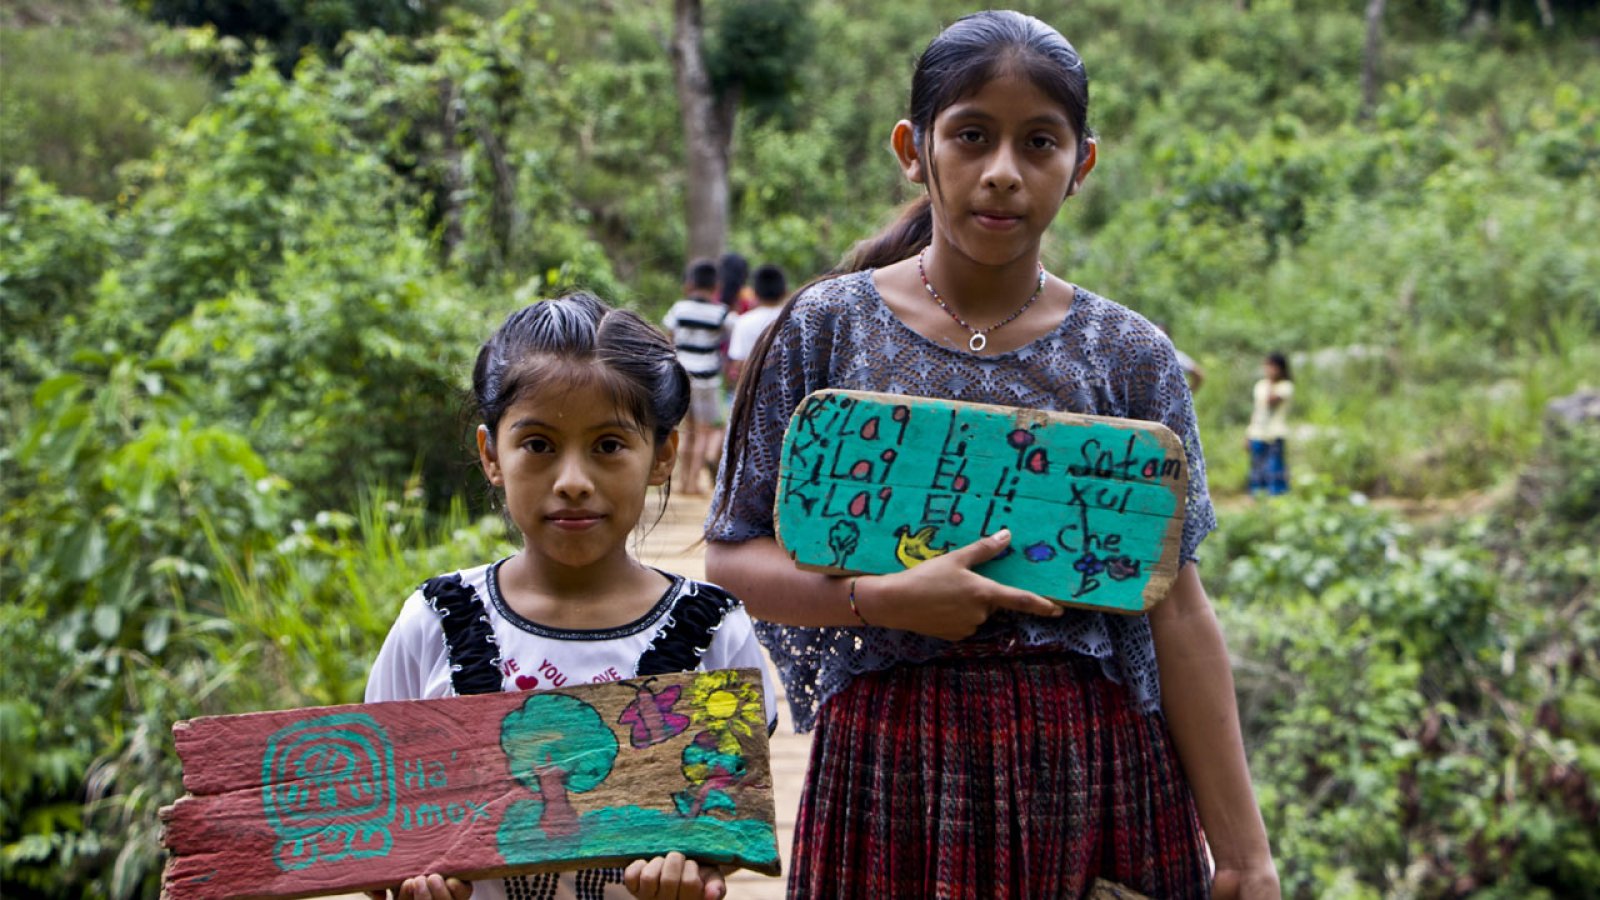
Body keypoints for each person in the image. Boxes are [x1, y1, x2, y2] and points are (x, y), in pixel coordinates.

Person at [704, 11, 1278, 899]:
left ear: (1081, 164)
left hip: (1090, 765)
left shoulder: (1128, 356)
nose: (1003, 170)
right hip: (893, 768)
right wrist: (878, 599)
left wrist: (1244, 854)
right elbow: (734, 556)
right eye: (972, 135)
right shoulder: (828, 328)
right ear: (914, 149)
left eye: (1039, 142)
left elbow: (1179, 610)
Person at [367, 292, 777, 900]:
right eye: (538, 445)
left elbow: (733, 816)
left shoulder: (714, 628)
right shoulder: (436, 621)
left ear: (662, 455)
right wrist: (405, 881)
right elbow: (380, 821)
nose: (573, 482)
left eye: (609, 445)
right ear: (491, 455)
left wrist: (694, 874)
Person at [663, 259, 732, 495]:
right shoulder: (721, 312)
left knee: (686, 430)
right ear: (716, 285)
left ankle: (681, 482)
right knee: (703, 431)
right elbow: (728, 338)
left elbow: (669, 337)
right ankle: (693, 483)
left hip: (681, 375)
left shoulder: (679, 308)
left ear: (690, 283)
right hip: (707, 378)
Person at [725, 264, 788, 385]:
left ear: (755, 292)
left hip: (753, 387)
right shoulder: (792, 319)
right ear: (784, 291)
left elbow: (738, 362)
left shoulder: (744, 321)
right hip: (786, 388)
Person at [1246, 351, 1293, 497]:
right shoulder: (1260, 385)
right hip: (1257, 433)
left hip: (1274, 434)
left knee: (1274, 468)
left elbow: (1270, 401)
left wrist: (1271, 382)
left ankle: (1276, 497)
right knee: (1256, 468)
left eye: (1273, 366)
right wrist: (1248, 433)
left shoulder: (1285, 386)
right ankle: (1257, 497)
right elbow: (1257, 410)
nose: (1269, 370)